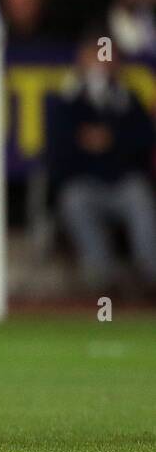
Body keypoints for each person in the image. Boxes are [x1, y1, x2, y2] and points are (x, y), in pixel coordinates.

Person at [47, 40, 156, 294]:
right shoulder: (67, 102)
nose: (101, 64)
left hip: (122, 183)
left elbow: (144, 142)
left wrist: (112, 139)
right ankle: (102, 278)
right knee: (74, 200)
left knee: (139, 195)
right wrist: (85, 142)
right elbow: (57, 151)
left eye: (106, 57)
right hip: (85, 184)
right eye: (95, 57)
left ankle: (150, 275)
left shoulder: (128, 100)